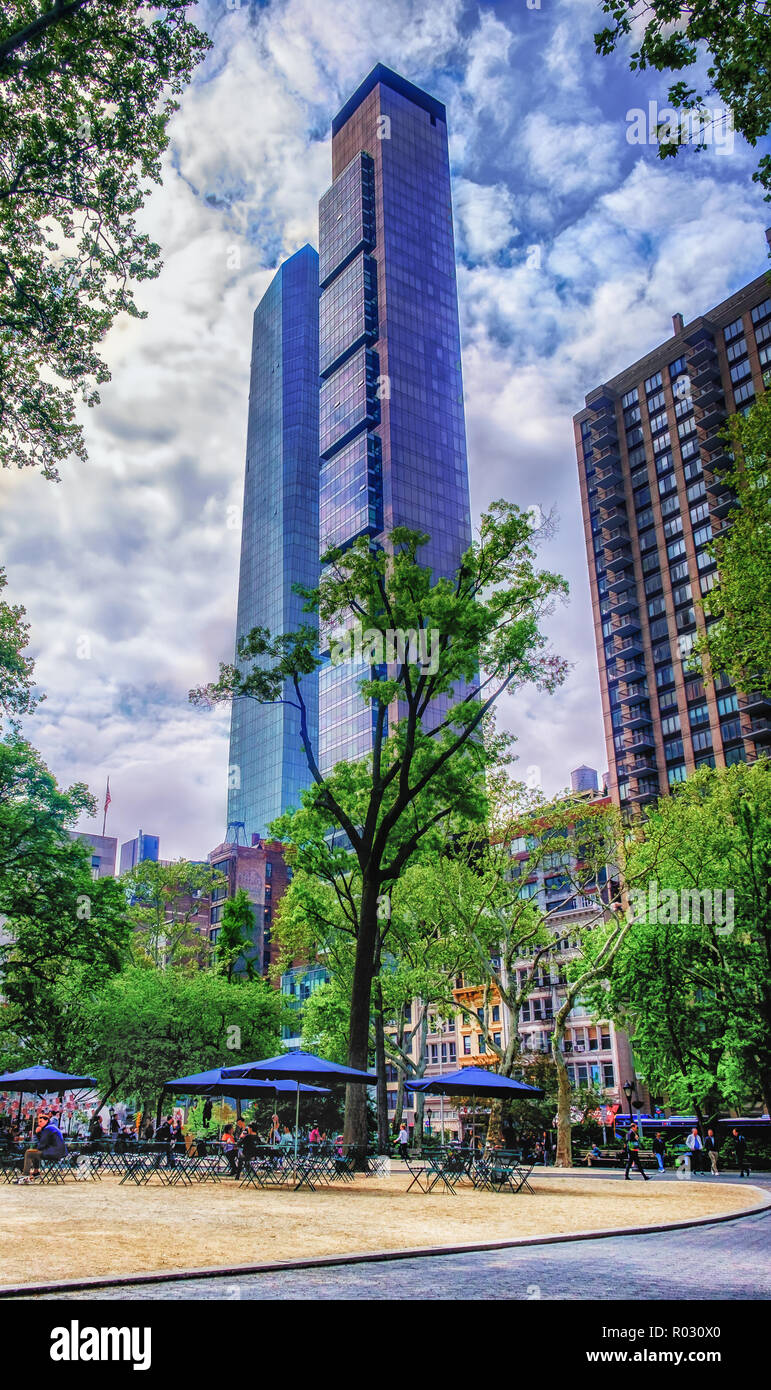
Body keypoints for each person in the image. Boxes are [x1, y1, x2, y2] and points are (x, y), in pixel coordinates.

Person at [16, 1113, 66, 1183]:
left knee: (29, 1153)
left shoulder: (48, 1128)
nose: (39, 1124)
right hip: (58, 1152)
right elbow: (44, 1142)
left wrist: (38, 1133)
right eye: (38, 1122)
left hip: (54, 1152)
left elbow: (42, 1144)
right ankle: (36, 1172)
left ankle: (25, 1175)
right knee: (34, 1152)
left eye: (41, 1121)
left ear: (46, 1121)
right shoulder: (51, 1127)